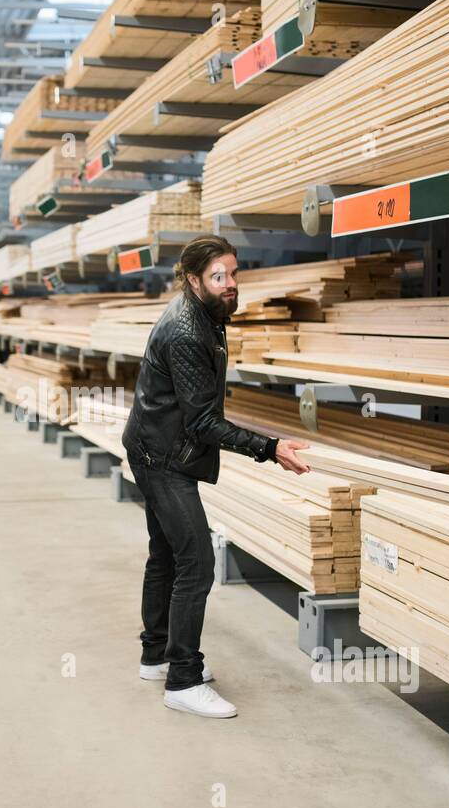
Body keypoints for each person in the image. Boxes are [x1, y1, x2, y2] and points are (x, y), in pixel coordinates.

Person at [121, 235, 311, 719]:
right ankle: (182, 679)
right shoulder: (187, 330)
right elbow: (202, 422)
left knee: (165, 554)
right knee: (197, 563)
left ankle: (156, 655)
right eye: (218, 277)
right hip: (162, 457)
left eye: (233, 273)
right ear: (193, 279)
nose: (230, 285)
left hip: (154, 446)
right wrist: (270, 448)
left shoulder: (204, 314)